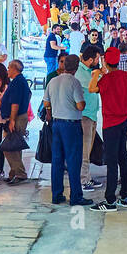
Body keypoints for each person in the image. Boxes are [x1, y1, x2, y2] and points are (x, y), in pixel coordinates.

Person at [90, 47, 127, 211]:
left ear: (106, 61)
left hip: (110, 124)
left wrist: (97, 72)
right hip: (124, 121)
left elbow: (91, 89)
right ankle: (125, 196)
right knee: (123, 158)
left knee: (112, 162)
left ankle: (110, 200)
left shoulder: (105, 80)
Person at [45, 54, 93, 207]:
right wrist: (83, 102)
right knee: (73, 161)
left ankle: (57, 194)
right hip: (71, 125)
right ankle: (76, 196)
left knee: (57, 161)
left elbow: (46, 102)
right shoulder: (74, 82)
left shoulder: (53, 81)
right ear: (76, 66)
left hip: (56, 123)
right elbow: (80, 106)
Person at [1, 59, 33, 184]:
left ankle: (20, 173)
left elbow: (15, 103)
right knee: (15, 146)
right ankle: (13, 172)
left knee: (9, 147)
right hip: (19, 116)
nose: (7, 70)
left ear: (14, 69)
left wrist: (12, 119)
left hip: (17, 117)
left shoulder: (18, 82)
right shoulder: (20, 81)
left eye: (9, 68)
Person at [78, 45, 103, 192]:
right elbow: (94, 86)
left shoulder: (90, 71)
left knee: (89, 149)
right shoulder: (81, 71)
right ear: (91, 59)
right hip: (85, 117)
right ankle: (83, 180)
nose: (98, 62)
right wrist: (100, 74)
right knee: (84, 150)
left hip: (92, 115)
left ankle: (87, 177)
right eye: (97, 59)